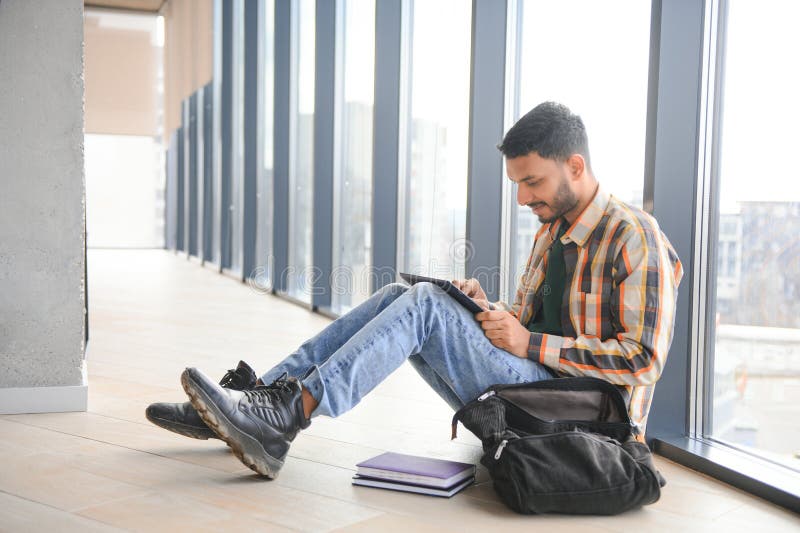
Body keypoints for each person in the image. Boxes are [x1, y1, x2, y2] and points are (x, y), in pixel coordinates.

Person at [146, 101, 683, 479]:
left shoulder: (635, 238)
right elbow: (528, 323)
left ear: (576, 166)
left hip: (589, 425)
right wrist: (488, 311)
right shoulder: (551, 231)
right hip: (539, 389)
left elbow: (641, 362)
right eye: (517, 184)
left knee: (423, 308)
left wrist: (527, 344)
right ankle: (258, 401)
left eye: (532, 182)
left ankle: (282, 418)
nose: (522, 199)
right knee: (401, 299)